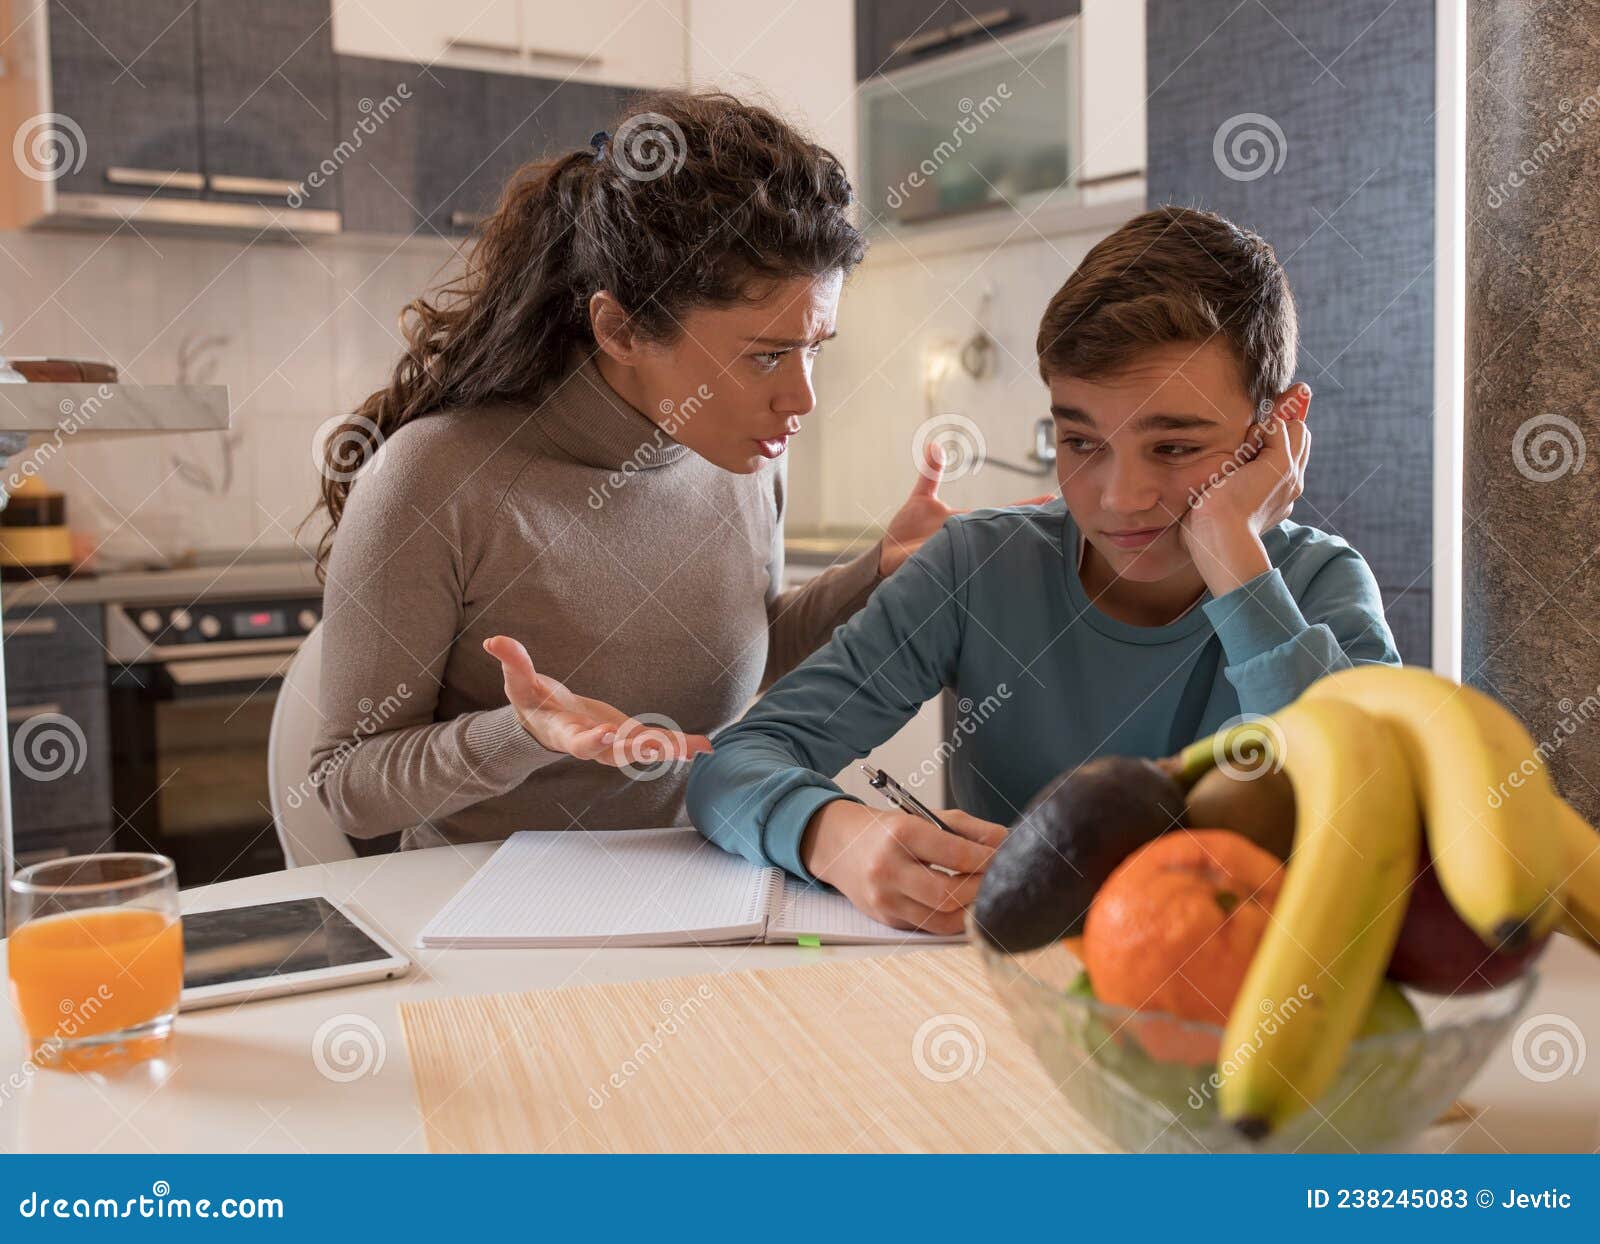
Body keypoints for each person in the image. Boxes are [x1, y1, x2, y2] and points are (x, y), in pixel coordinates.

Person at [685, 204, 1402, 934]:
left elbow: (1370, 831)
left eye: (1176, 447)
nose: (1121, 499)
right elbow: (733, 764)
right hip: (1001, 1005)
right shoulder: (979, 567)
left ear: (1275, 428)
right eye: (1082, 442)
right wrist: (833, 836)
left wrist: (1236, 560)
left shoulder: (1319, 588)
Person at [305, 92, 985, 849]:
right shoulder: (435, 478)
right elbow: (346, 786)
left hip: (701, 888)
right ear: (620, 329)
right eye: (765, 354)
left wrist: (881, 569)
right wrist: (525, 733)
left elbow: (740, 648)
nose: (802, 398)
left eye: (814, 346)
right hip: (483, 923)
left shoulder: (746, 455)